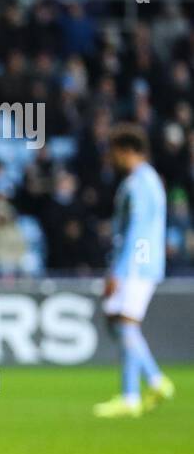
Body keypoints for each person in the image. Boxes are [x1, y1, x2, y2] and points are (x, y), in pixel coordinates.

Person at [93, 125, 175, 417]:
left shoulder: (140, 183)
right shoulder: (148, 180)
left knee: (125, 323)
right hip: (141, 262)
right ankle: (144, 386)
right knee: (117, 321)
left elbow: (137, 230)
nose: (111, 158)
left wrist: (120, 270)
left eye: (114, 152)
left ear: (126, 151)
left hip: (137, 264)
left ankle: (144, 387)